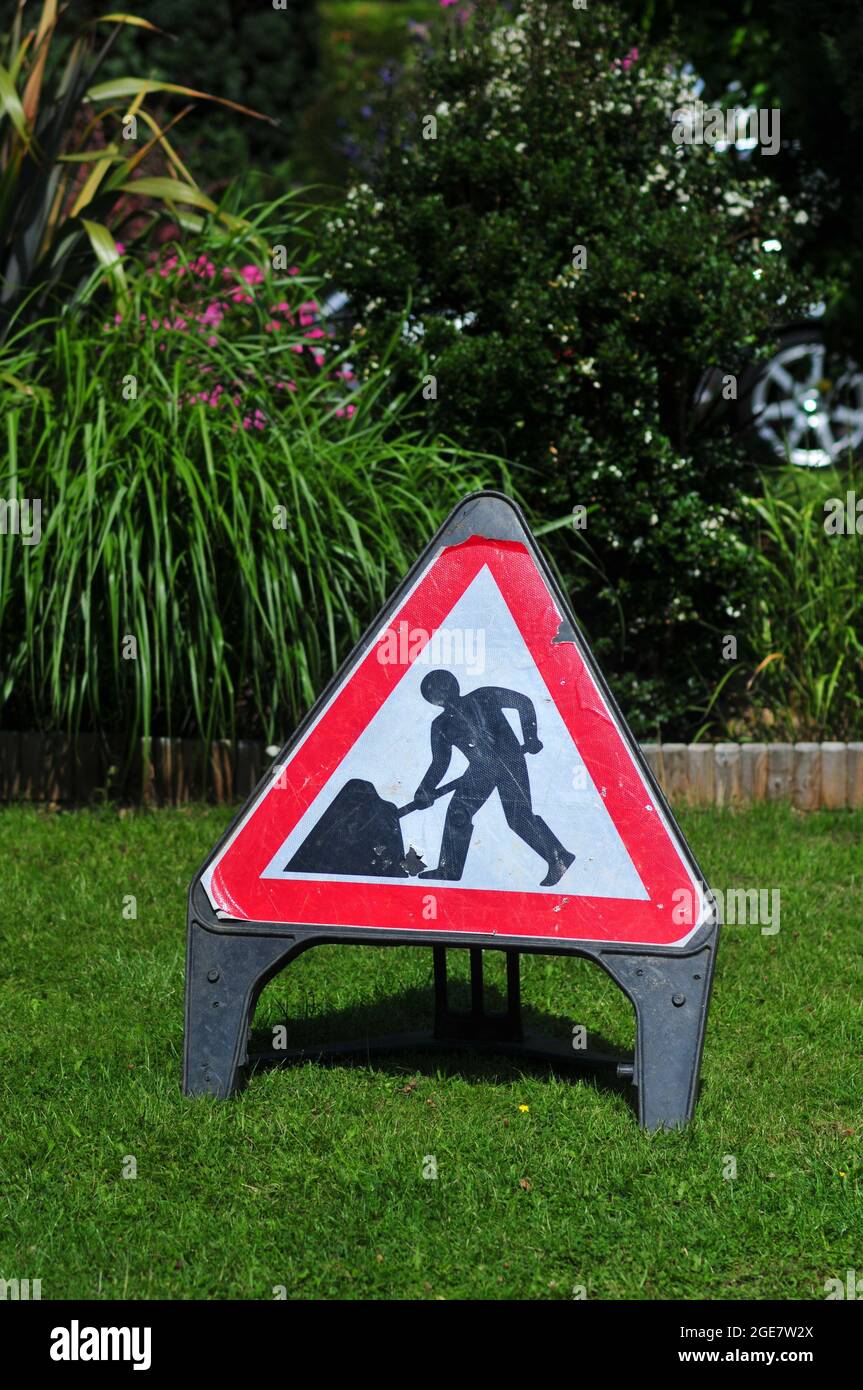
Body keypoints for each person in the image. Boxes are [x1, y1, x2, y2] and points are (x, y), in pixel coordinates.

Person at [413, 671, 575, 886]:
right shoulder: (441, 725)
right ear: (431, 699)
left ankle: (558, 856)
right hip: (480, 770)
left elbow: (523, 702)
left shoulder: (484, 695)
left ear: (453, 684)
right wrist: (425, 789)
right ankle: (449, 868)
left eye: (444, 686)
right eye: (435, 691)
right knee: (457, 812)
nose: (443, 692)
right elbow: (440, 762)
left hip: (509, 760)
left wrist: (530, 736)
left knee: (518, 817)